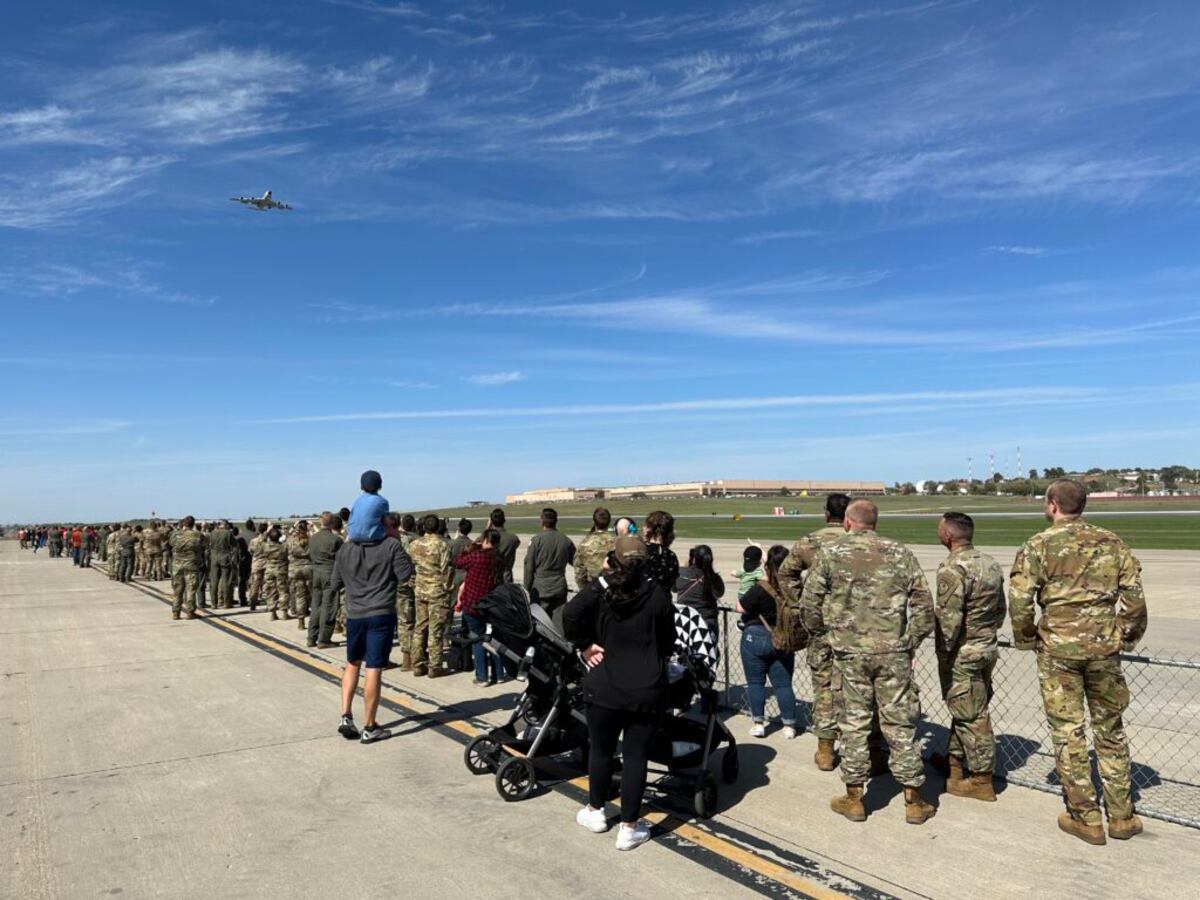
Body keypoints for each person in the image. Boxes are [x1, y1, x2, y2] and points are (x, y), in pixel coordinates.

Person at [1009, 478, 1148, 845]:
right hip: (1103, 649)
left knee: (1068, 731)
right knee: (1110, 730)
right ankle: (1122, 815)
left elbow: (1020, 600)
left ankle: (1085, 817)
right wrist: (1124, 637)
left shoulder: (1038, 545)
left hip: (1058, 651)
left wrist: (1027, 638)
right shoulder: (1111, 542)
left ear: (1053, 504)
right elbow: (1134, 600)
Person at [801, 499, 937, 825]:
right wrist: (909, 641)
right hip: (893, 653)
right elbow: (923, 604)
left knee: (854, 724)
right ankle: (914, 800)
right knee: (900, 724)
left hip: (850, 654)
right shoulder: (900, 553)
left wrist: (827, 634)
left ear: (848, 522)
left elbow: (809, 604)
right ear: (874, 522)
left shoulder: (831, 554)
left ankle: (854, 797)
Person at [564, 536, 676, 852]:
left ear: (615, 558)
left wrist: (584, 645)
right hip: (645, 687)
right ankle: (629, 826)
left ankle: (596, 810)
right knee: (636, 755)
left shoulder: (602, 590)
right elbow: (668, 640)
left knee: (601, 751)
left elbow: (570, 614)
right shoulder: (657, 594)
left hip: (605, 686)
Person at [931, 512, 1006, 802]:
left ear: (948, 536)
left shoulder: (952, 568)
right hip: (986, 647)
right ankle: (954, 763)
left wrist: (944, 655)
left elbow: (949, 623)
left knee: (973, 717)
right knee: (965, 710)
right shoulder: (989, 563)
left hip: (963, 654)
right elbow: (1000, 611)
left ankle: (981, 780)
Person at [780, 492, 853, 770]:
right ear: (849, 517)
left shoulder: (809, 542)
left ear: (826, 514)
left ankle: (825, 748)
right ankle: (852, 742)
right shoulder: (855, 543)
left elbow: (786, 574)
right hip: (853, 627)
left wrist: (802, 604)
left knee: (823, 686)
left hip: (821, 625)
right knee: (853, 687)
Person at [332, 520, 414, 744]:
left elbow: (335, 582)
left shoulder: (345, 549)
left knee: (352, 663)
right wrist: (396, 542)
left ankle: (346, 715)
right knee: (374, 668)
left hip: (355, 613)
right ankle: (370, 726)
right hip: (380, 613)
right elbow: (405, 574)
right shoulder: (390, 546)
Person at [737, 545, 797, 739]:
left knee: (756, 682)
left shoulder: (761, 587)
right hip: (783, 638)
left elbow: (741, 607)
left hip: (756, 635)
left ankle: (759, 723)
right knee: (783, 684)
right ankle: (789, 726)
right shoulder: (794, 589)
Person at [454, 528, 505, 685]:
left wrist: (469, 548)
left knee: (477, 638)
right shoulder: (499, 558)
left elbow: (458, 562)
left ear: (486, 540)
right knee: (493, 638)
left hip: (474, 603)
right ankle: (499, 674)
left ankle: (482, 676)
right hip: (492, 604)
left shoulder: (477, 556)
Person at [409, 514, 454, 677]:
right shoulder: (442, 545)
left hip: (420, 589)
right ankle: (435, 666)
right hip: (437, 591)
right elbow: (447, 569)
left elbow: (412, 565)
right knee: (436, 629)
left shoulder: (414, 544)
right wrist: (448, 588)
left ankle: (418, 664)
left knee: (420, 627)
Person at [523, 507, 576, 631]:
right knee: (559, 624)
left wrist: (527, 587)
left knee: (539, 623)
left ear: (542, 521)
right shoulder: (565, 540)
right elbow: (575, 562)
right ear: (556, 521)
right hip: (559, 585)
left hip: (541, 587)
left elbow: (529, 566)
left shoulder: (537, 540)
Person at [307, 512, 344, 648]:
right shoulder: (335, 540)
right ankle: (324, 639)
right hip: (329, 573)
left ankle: (311, 637)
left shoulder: (313, 538)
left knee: (316, 605)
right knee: (329, 606)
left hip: (316, 573)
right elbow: (342, 558)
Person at [674, 544, 725, 635]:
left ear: (694, 559)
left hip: (685, 620)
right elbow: (720, 593)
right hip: (707, 621)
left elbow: (674, 588)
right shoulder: (714, 578)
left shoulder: (681, 574)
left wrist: (687, 566)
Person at [170, 517, 206, 620]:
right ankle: (190, 612)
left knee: (177, 590)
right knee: (191, 589)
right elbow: (204, 544)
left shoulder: (175, 534)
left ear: (183, 524)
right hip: (191, 565)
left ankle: (176, 613)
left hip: (177, 565)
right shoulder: (197, 535)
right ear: (193, 524)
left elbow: (171, 544)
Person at [574, 507, 615, 589]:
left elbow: (579, 572)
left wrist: (584, 590)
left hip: (593, 588)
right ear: (609, 522)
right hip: (613, 587)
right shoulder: (616, 542)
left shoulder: (584, 543)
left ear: (593, 522)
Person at [348, 469, 389, 543]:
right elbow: (386, 523)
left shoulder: (357, 501)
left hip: (353, 537)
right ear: (379, 484)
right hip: (373, 538)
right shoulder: (382, 501)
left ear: (362, 486)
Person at [643, 510, 679, 593]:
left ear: (650, 528)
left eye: (645, 525)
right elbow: (674, 588)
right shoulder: (671, 556)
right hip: (664, 602)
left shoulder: (641, 552)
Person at [261, 524, 290, 620]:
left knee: (271, 591)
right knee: (283, 591)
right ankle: (284, 612)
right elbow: (289, 543)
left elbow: (261, 541)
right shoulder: (283, 547)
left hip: (269, 570)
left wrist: (267, 530)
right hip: (281, 570)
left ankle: (273, 613)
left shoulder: (265, 546)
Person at [287, 521, 313, 629]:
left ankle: (301, 621)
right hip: (309, 570)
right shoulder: (311, 541)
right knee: (313, 595)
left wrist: (294, 527)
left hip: (295, 571)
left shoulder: (291, 541)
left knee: (299, 596)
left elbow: (287, 542)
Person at [207, 520, 237, 609]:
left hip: (214, 558)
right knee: (226, 581)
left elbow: (209, 545)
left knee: (214, 581)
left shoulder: (212, 533)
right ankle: (227, 603)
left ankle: (213, 603)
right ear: (226, 525)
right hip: (225, 557)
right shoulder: (228, 533)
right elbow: (235, 545)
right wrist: (234, 557)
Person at [489, 508, 521, 584]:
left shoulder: (487, 537)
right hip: (506, 576)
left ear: (491, 522)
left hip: (490, 576)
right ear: (504, 521)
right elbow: (517, 543)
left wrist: (488, 528)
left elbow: (477, 544)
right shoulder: (513, 538)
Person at [447, 518, 474, 598]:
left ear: (459, 528)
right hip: (468, 575)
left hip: (455, 574)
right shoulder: (473, 544)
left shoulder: (451, 543)